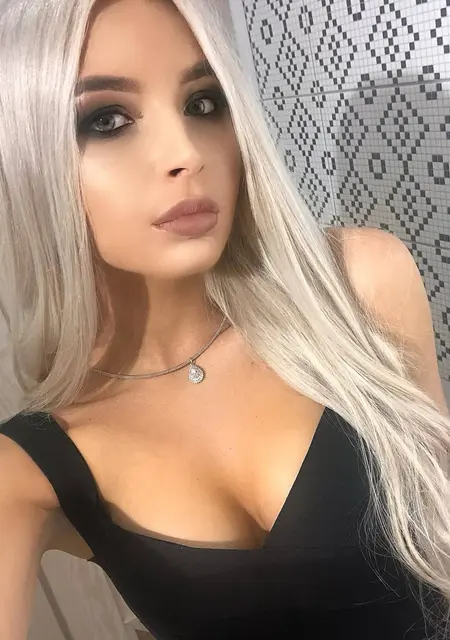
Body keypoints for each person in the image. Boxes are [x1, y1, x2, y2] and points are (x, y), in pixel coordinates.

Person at [0, 0, 449, 638]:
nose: (186, 152)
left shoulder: (360, 285)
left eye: (203, 103)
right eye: (108, 119)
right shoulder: (27, 468)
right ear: (30, 159)